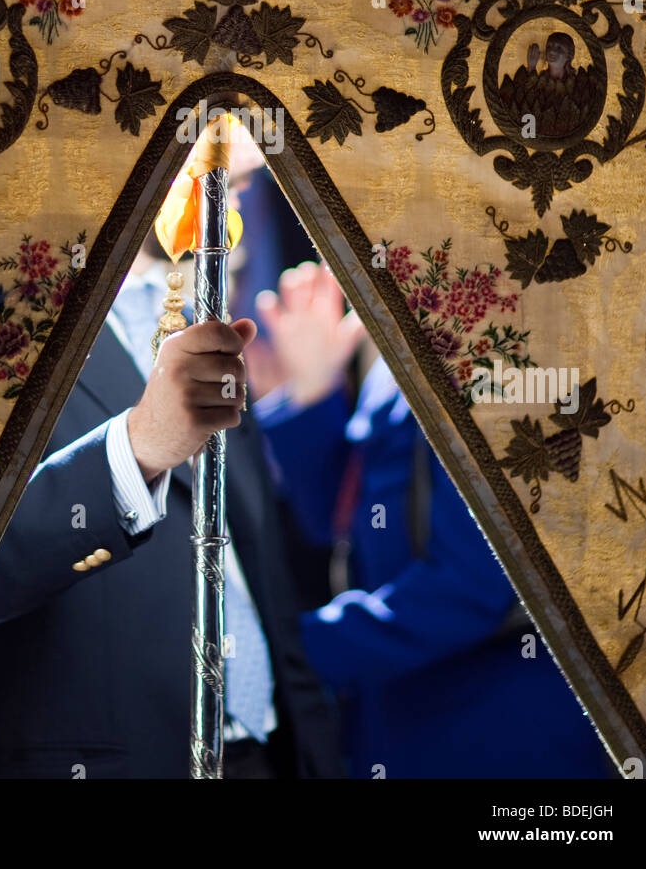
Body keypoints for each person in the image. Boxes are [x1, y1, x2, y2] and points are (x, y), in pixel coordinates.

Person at [0, 237, 344, 780]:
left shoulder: (201, 312)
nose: (237, 181)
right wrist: (136, 450)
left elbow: (263, 564)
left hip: (269, 754)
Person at [253, 260, 615, 780]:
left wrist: (286, 654)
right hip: (403, 722)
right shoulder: (415, 329)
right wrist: (313, 391)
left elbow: (475, 587)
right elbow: (351, 526)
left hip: (497, 738)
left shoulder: (503, 341)